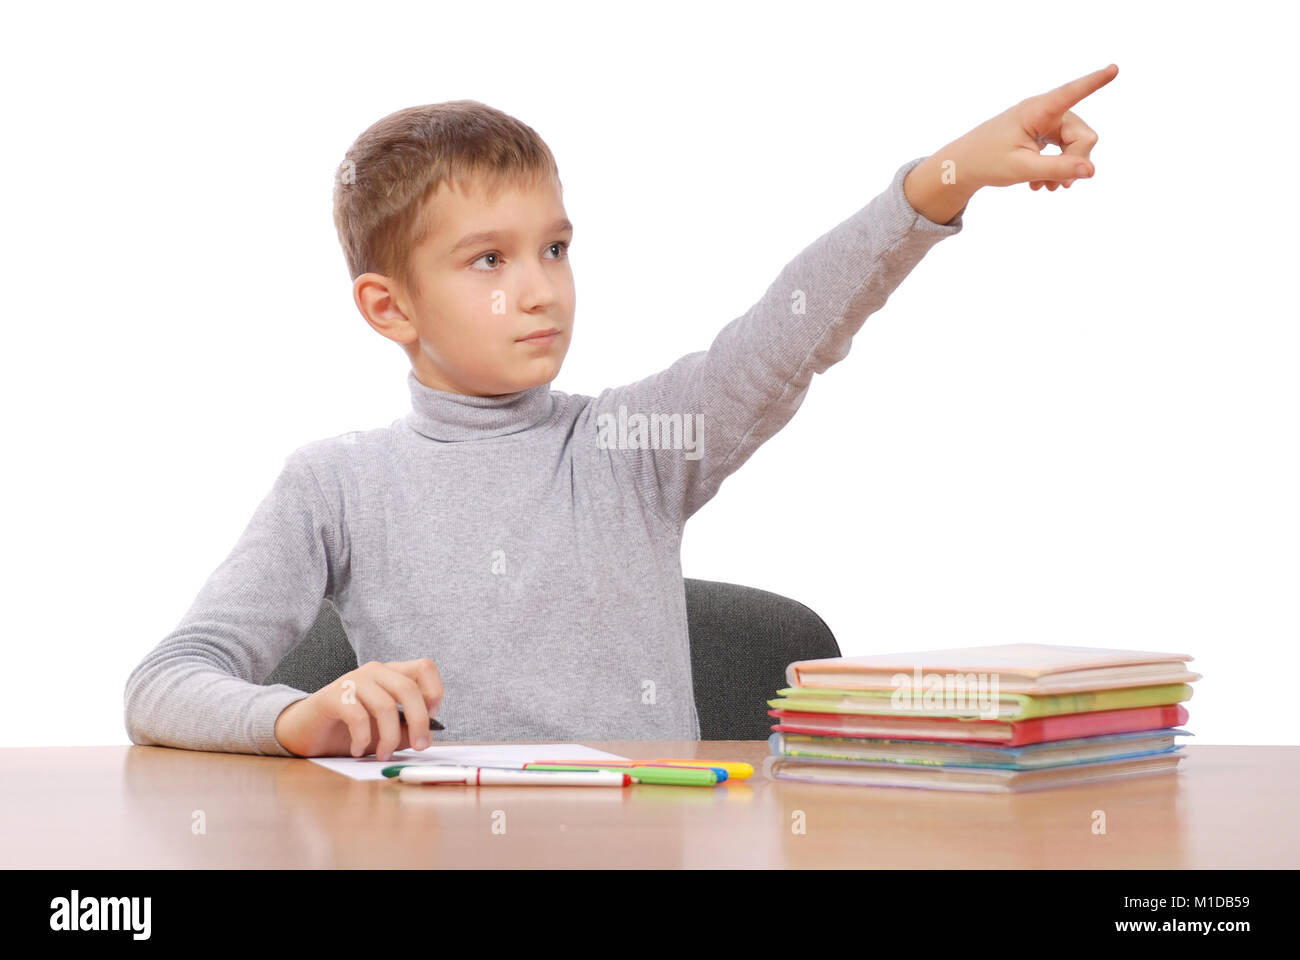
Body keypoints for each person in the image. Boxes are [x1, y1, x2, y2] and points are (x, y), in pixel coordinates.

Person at [123, 65, 1117, 760]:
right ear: (390, 307)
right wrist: (295, 718)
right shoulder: (334, 483)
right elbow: (168, 681)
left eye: (554, 249)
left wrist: (935, 184)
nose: (541, 289)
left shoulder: (633, 448)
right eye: (488, 260)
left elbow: (787, 331)